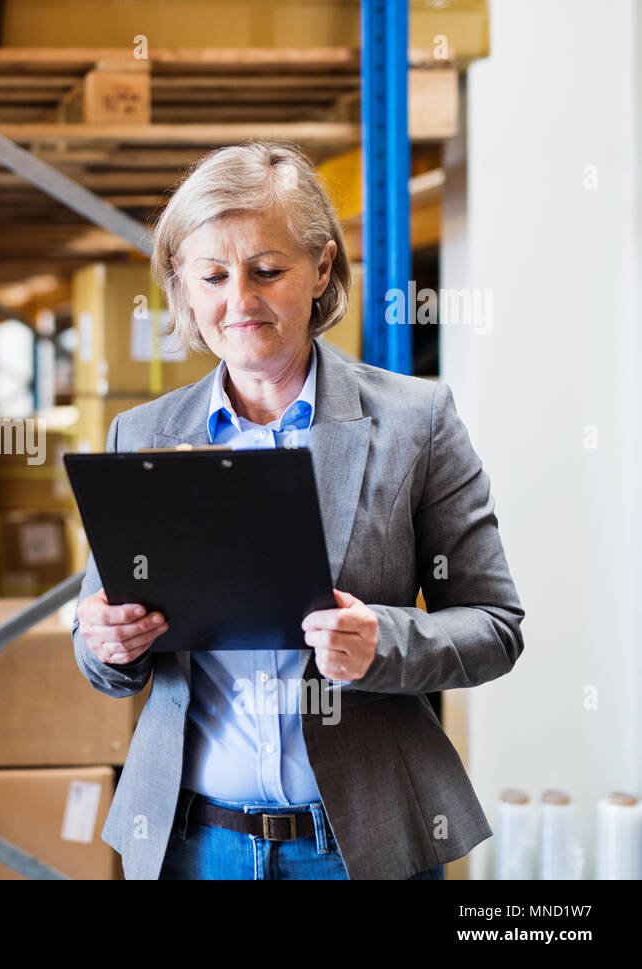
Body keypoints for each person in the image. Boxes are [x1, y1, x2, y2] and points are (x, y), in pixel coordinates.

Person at [71, 141, 524, 880]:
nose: (239, 302)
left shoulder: (417, 419)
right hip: (195, 845)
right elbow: (103, 654)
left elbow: (494, 626)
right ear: (182, 285)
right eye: (212, 275)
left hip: (357, 845)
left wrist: (384, 641)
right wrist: (106, 642)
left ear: (321, 268)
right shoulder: (143, 434)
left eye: (268, 271)